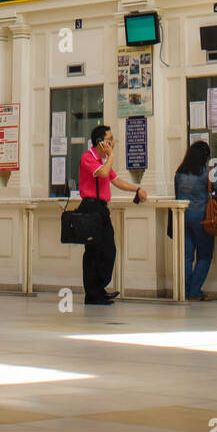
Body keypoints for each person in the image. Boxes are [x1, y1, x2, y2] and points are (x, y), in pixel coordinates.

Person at [77, 125, 147, 305]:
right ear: (101, 142)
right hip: (90, 207)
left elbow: (115, 180)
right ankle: (93, 294)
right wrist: (111, 157)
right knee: (93, 251)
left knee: (109, 249)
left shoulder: (103, 159)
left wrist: (136, 188)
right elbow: (103, 173)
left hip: (101, 208)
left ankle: (99, 288)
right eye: (110, 139)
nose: (113, 142)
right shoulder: (88, 158)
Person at [174, 141, 217, 302]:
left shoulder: (179, 172)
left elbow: (176, 194)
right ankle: (195, 292)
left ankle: (183, 292)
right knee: (204, 255)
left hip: (182, 216)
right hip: (202, 219)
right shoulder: (207, 172)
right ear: (205, 156)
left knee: (186, 257)